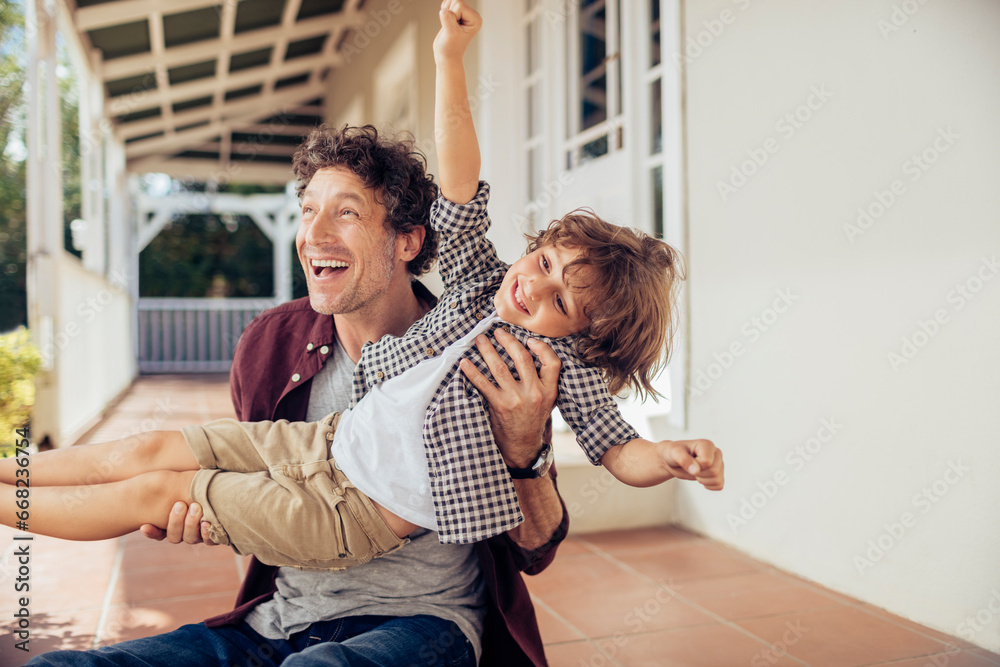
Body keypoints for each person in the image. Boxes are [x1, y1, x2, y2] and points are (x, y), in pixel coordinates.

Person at [21, 3, 722, 664]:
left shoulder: (545, 372)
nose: (314, 235)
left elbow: (574, 501)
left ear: (409, 241)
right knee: (150, 471)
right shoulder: (297, 339)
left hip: (413, 609)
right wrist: (449, 54)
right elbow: (462, 186)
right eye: (307, 209)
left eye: (347, 213)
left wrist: (631, 453)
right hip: (294, 565)